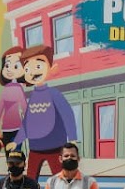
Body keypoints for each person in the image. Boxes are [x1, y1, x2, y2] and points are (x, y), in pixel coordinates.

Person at [15, 45, 78, 180]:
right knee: (30, 179)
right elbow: (26, 123)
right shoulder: (32, 97)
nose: (33, 72)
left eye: (38, 66)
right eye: (27, 69)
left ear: (52, 68)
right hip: (35, 148)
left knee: (61, 179)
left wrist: (72, 137)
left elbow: (67, 114)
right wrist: (17, 142)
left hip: (55, 146)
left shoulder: (54, 93)